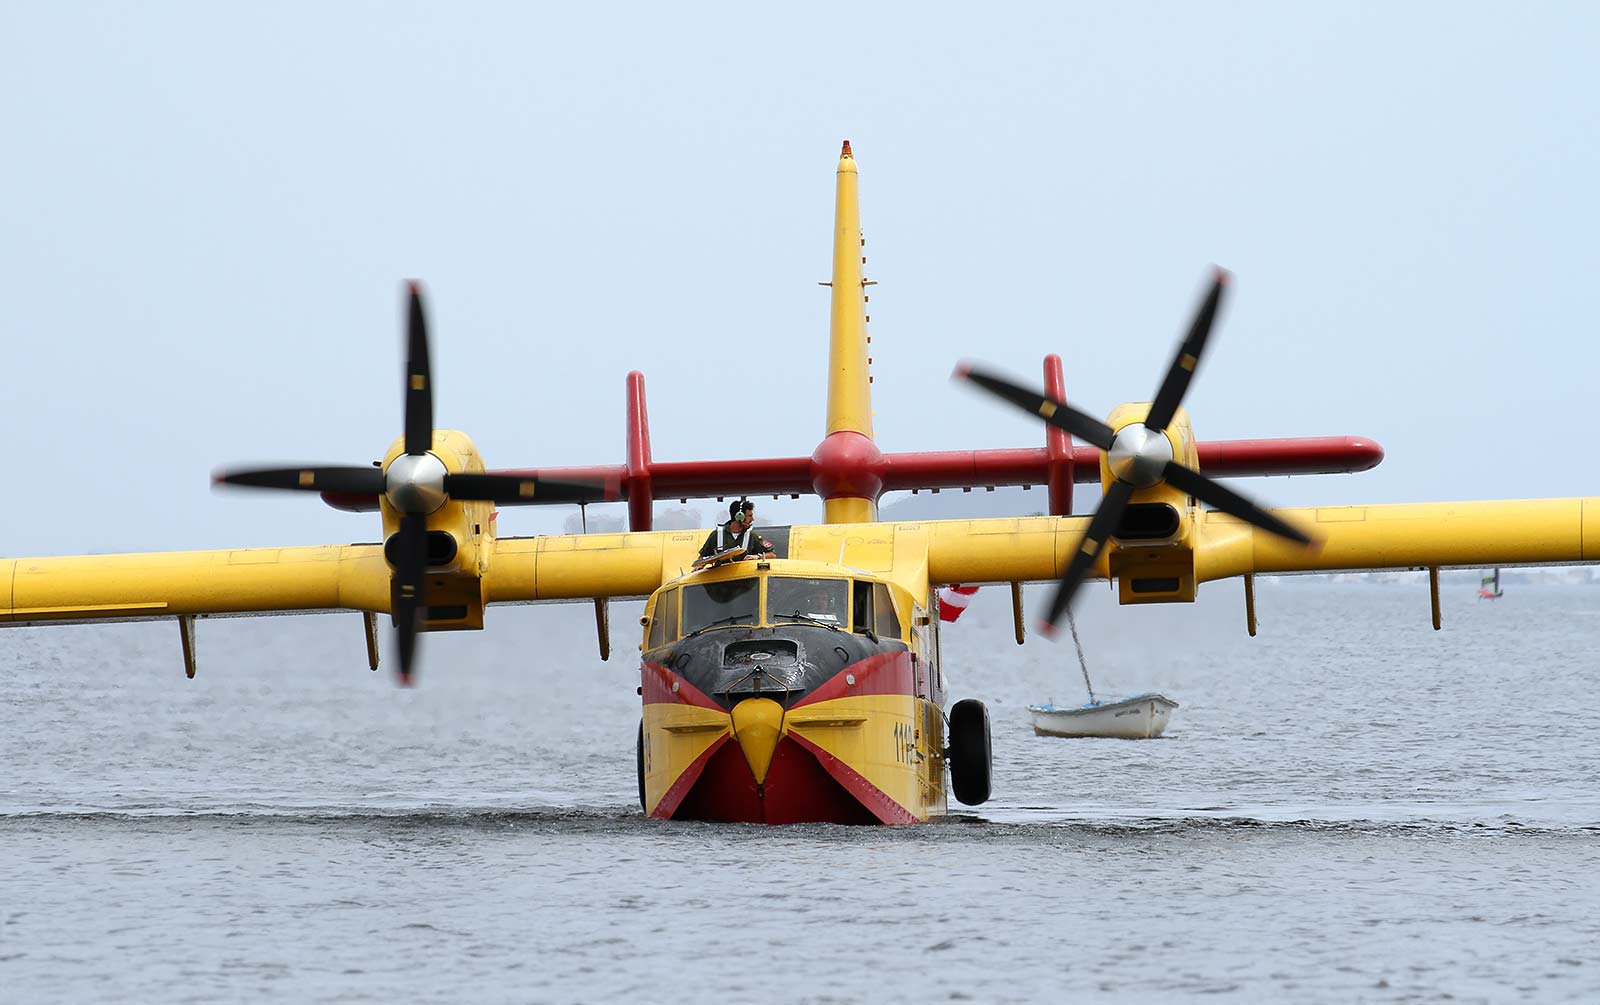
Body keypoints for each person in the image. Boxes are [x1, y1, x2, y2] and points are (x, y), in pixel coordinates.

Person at [695, 499, 775, 568]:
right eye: (749, 516)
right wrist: (698, 567)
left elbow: (772, 555)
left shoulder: (751, 536)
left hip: (744, 579)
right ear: (739, 516)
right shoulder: (717, 535)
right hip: (722, 579)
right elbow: (702, 558)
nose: (752, 519)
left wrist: (757, 556)